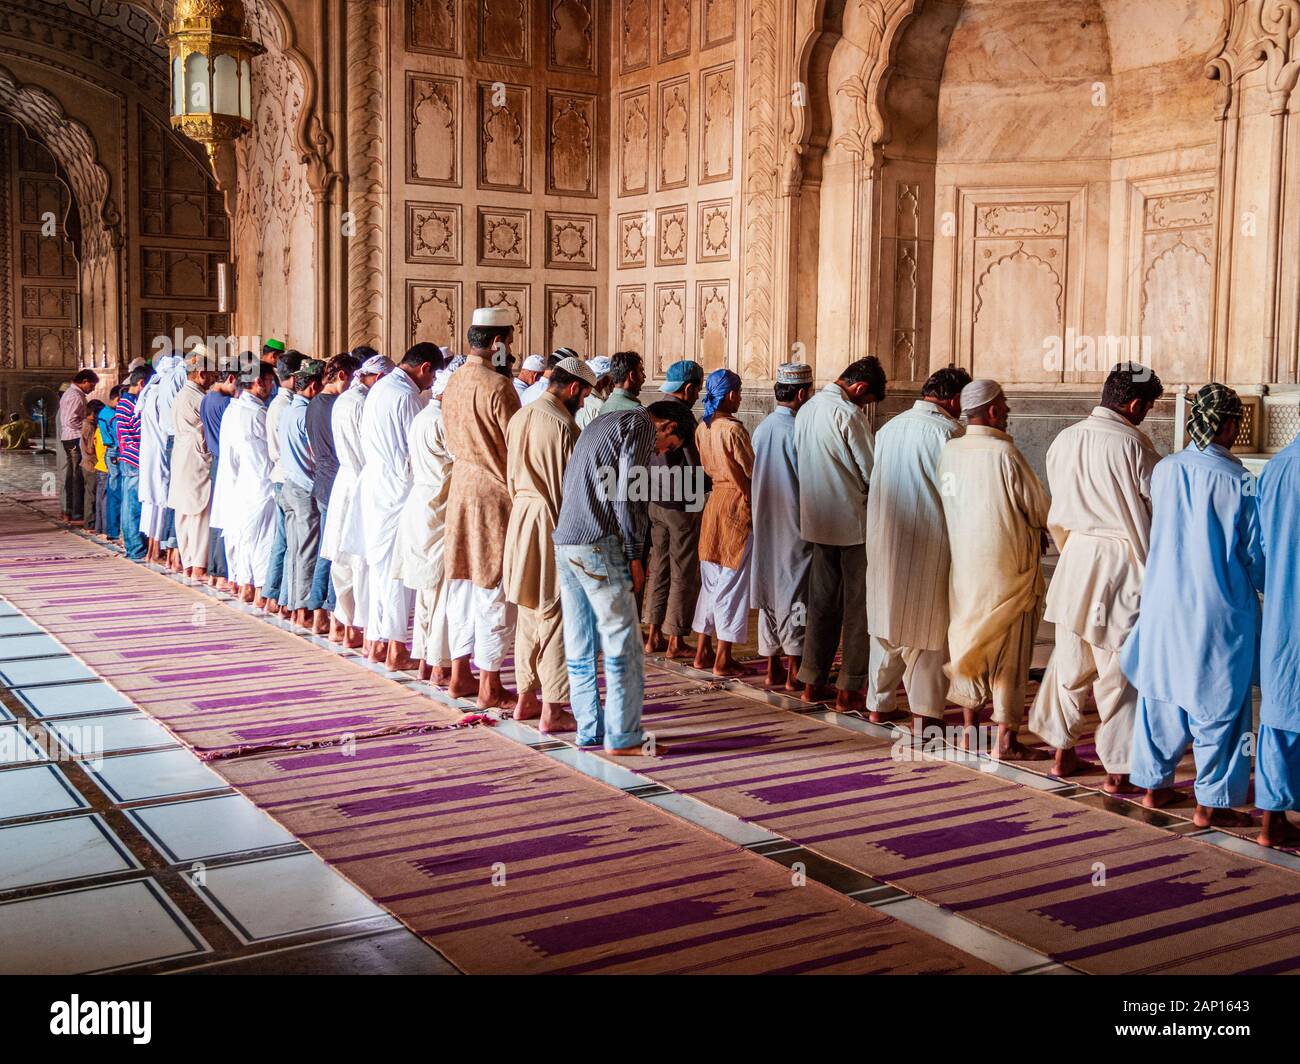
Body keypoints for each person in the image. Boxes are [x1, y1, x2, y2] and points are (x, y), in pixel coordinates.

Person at [1122, 383, 1263, 827]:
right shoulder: (1238, 479)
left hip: (1164, 601)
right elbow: (1255, 554)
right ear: (1227, 424)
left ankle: (1152, 786)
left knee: (1160, 696)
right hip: (1217, 610)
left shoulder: (1165, 469)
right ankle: (1210, 803)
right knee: (1218, 704)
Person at [1028, 364, 1163, 791]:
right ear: (1136, 404)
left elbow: (1059, 510)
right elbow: (1160, 510)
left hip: (1076, 563)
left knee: (1070, 663)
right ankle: (1118, 771)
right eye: (1148, 407)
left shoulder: (1064, 440)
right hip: (1122, 567)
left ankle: (1061, 754)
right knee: (1118, 673)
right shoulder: (1136, 447)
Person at [553, 400, 691, 754]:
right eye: (667, 448)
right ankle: (624, 736)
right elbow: (628, 495)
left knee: (581, 641)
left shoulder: (605, 421)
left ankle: (590, 729)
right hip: (598, 545)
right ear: (667, 427)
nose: (659, 454)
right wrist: (633, 554)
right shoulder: (641, 424)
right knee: (624, 643)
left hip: (567, 540)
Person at [939, 379, 1050, 760]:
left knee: (970, 641)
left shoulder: (950, 452)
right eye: (1003, 404)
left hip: (966, 568)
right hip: (1008, 572)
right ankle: (1004, 738)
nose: (1008, 411)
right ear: (991, 411)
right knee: (1011, 652)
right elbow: (1038, 508)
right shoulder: (1005, 455)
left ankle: (970, 729)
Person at [864, 366, 970, 730]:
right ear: (955, 400)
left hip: (885, 538)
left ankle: (878, 704)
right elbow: (956, 498)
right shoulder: (951, 434)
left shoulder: (890, 427)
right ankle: (925, 716)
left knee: (886, 623)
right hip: (928, 542)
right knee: (927, 632)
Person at [504, 357, 594, 732]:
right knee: (558, 612)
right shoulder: (564, 426)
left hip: (521, 519)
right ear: (574, 389)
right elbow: (571, 493)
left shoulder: (521, 415)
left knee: (530, 609)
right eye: (585, 396)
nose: (585, 403)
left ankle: (526, 696)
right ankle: (553, 707)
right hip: (552, 523)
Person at [341, 344, 442, 670]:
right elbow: (414, 452)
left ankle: (375, 640)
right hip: (397, 490)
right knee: (396, 570)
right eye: (433, 375)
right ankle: (396, 648)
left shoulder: (380, 387)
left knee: (378, 567)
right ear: (425, 368)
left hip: (375, 486)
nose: (432, 383)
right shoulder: (406, 397)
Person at [794, 356, 886, 710]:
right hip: (852, 525)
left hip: (817, 521)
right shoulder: (847, 414)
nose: (865, 406)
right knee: (858, 608)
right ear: (860, 388)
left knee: (821, 605)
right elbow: (871, 470)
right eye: (867, 400)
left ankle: (811, 682)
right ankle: (849, 689)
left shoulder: (807, 409)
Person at [443, 309, 521, 708]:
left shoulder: (453, 380)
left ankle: (459, 674)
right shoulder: (498, 386)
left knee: (461, 583)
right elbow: (516, 444)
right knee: (494, 588)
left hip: (460, 489)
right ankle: (490, 684)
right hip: (493, 493)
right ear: (498, 343)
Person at [393, 355, 463, 682]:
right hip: (439, 505)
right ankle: (440, 665)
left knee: (426, 591)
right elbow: (462, 461)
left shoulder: (423, 416)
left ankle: (423, 659)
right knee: (442, 590)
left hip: (421, 505)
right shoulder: (444, 421)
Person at [750, 363, 815, 690]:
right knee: (796, 594)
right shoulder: (799, 431)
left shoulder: (763, 428)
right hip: (794, 523)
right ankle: (795, 671)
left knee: (771, 592)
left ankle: (772, 665)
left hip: (766, 521)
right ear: (802, 393)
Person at [322, 353, 393, 649]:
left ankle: (344, 625)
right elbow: (369, 451)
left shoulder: (344, 400)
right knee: (359, 559)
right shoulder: (363, 403)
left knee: (343, 559)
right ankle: (358, 631)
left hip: (344, 482)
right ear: (377, 378)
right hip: (360, 482)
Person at [1257, 407, 1300, 847]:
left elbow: (1261, 545)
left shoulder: (1275, 468)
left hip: (1285, 607)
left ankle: (1271, 820)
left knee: (1281, 706)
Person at [691, 369, 752, 677]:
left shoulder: (703, 428)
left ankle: (702, 651)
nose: (740, 398)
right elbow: (749, 470)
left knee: (711, 579)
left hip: (713, 501)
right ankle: (723, 658)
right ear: (730, 395)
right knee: (732, 581)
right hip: (736, 504)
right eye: (739, 393)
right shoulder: (732, 429)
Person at [643, 359, 705, 659]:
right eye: (696, 390)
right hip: (681, 504)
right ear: (689, 388)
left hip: (654, 500)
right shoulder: (682, 416)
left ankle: (652, 634)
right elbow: (694, 464)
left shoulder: (650, 412)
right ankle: (675, 639)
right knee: (683, 570)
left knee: (658, 567)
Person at [213, 362, 279, 603]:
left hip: (239, 484)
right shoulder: (258, 413)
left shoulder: (233, 410)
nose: (272, 387)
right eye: (270, 381)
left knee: (244, 538)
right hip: (261, 484)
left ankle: (244, 585)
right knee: (263, 539)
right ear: (258, 381)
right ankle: (260, 591)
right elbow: (272, 452)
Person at [304, 353, 360, 638]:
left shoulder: (313, 403)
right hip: (336, 483)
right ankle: (331, 616)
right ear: (341, 376)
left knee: (327, 550)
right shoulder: (336, 405)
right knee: (335, 553)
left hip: (322, 481)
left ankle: (318, 615)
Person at [278, 359, 328, 629]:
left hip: (288, 485)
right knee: (307, 551)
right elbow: (313, 454)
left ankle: (293, 605)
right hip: (305, 487)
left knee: (295, 549)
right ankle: (304, 609)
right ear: (313, 386)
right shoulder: (305, 413)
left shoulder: (286, 410)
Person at [167, 347, 218, 579]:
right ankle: (198, 565)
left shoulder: (182, 395)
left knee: (185, 514)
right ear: (201, 374)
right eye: (212, 373)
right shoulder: (198, 398)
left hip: (182, 457)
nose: (214, 378)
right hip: (196, 458)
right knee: (198, 513)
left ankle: (188, 562)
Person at [263, 351, 306, 615]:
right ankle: (285, 600)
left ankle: (274, 596)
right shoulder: (285, 407)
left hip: (281, 478)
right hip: (286, 478)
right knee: (291, 543)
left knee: (284, 541)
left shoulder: (281, 404)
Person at [199, 354, 243, 589]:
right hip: (226, 462)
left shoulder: (207, 398)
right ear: (232, 378)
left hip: (217, 460)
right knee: (226, 518)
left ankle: (216, 571)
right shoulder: (226, 404)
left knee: (218, 517)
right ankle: (222, 570)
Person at [114, 367, 150, 561]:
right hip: (134, 458)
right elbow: (138, 434)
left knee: (130, 504)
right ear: (142, 384)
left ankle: (133, 545)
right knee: (133, 506)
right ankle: (136, 548)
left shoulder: (126, 402)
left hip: (128, 457)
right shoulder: (132, 405)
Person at [58, 369, 98, 522]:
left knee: (74, 474)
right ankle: (76, 511)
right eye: (92, 385)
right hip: (73, 438)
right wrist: (86, 425)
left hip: (69, 437)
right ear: (85, 381)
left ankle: (73, 510)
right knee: (77, 475)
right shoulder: (75, 396)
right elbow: (70, 421)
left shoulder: (71, 393)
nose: (92, 389)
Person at [97, 389, 122, 543]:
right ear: (118, 399)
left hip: (109, 452)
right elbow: (119, 436)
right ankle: (114, 529)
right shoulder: (112, 416)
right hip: (115, 452)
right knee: (116, 492)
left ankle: (111, 529)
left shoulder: (104, 412)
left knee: (112, 492)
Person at [79, 399, 104, 532]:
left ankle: (91, 521)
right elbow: (90, 449)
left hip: (89, 463)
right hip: (91, 464)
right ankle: (90, 523)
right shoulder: (89, 426)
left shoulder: (88, 424)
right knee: (91, 495)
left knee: (91, 494)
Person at [597, 350, 644, 415]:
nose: (644, 376)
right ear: (632, 376)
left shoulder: (603, 407)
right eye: (641, 371)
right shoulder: (636, 412)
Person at [576, 356, 613, 429]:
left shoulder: (578, 398)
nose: (612, 383)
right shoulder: (601, 407)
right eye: (611, 379)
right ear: (603, 380)